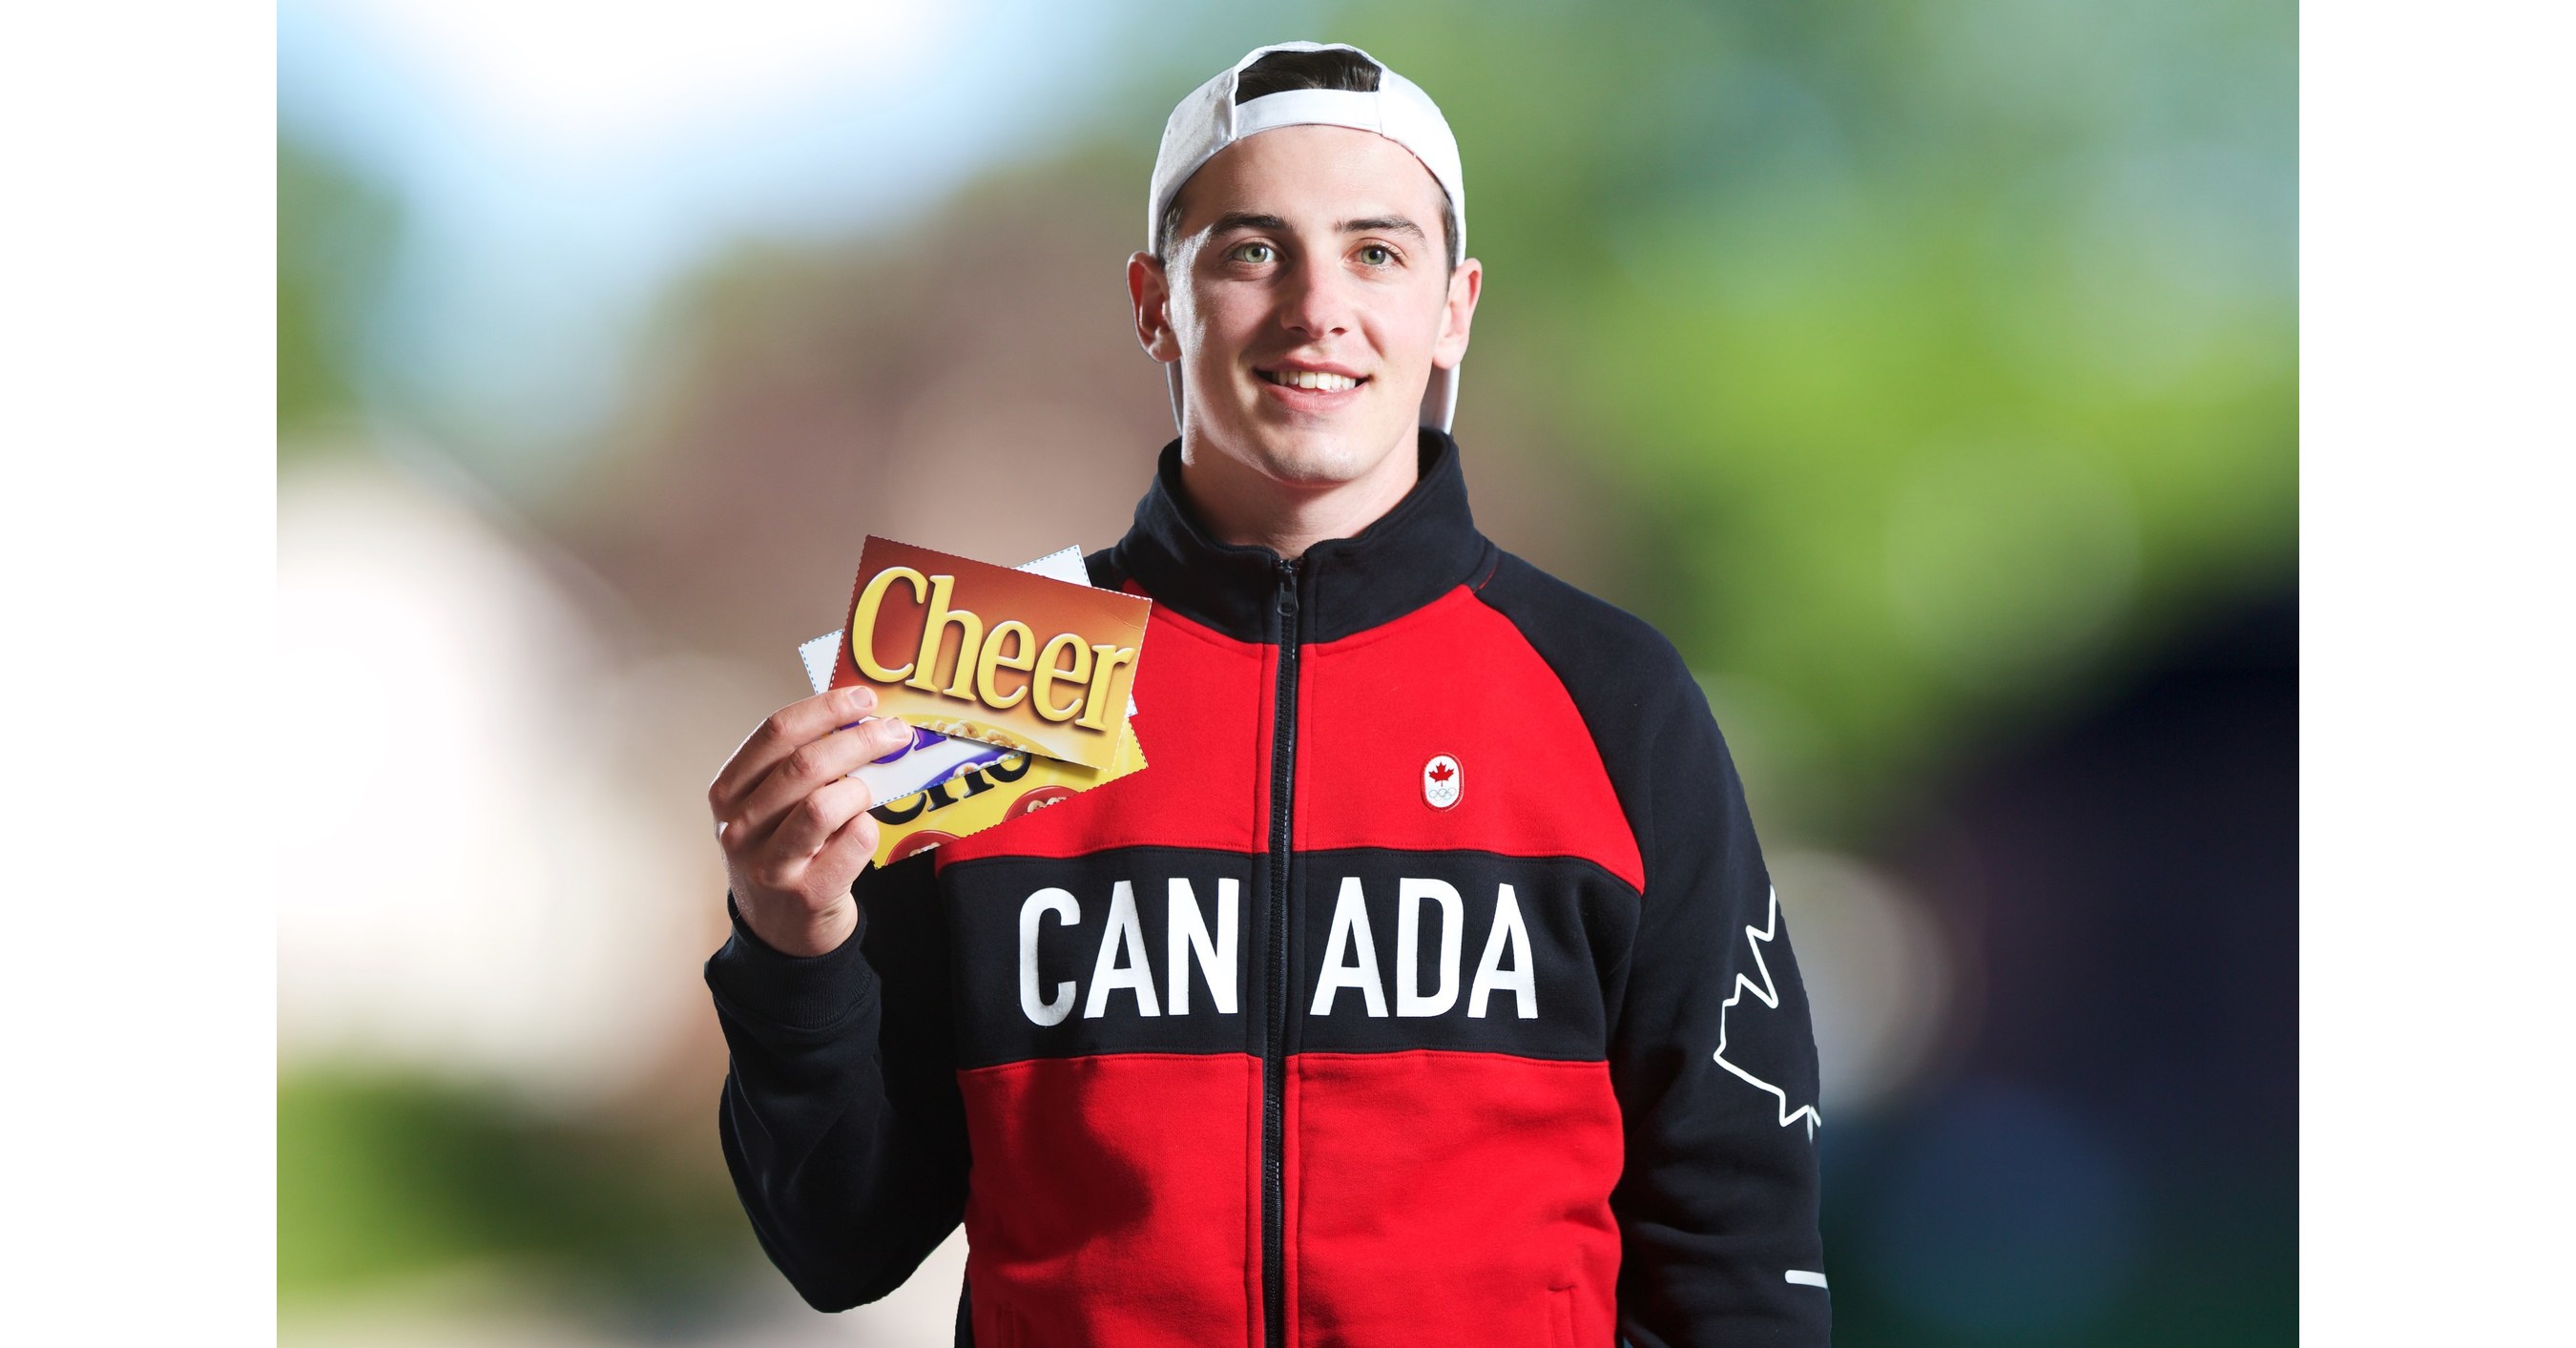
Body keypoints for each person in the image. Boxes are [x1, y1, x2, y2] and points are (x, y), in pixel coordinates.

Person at [702, 41, 1829, 1347]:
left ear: (1454, 306)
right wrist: (787, 944)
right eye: (1250, 250)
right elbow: (841, 1241)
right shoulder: (979, 692)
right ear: (1152, 302)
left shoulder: (1613, 694)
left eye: (1376, 252)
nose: (1317, 308)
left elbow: (1738, 1248)